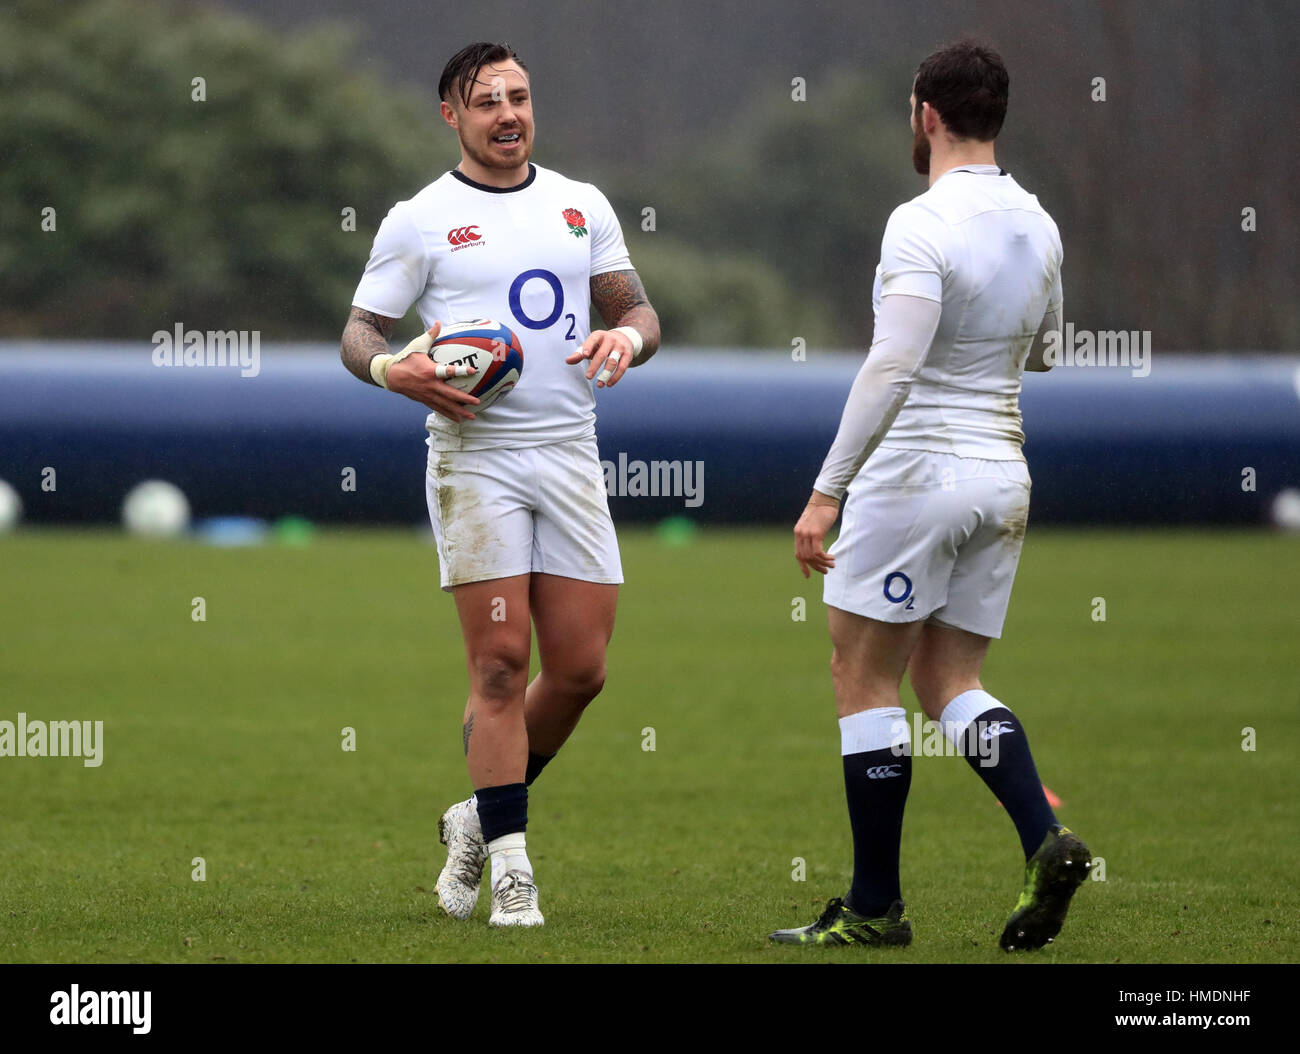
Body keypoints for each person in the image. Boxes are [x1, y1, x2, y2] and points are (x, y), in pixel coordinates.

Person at [772, 40, 1090, 950]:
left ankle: (874, 907)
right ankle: (1043, 837)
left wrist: (826, 492)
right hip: (1004, 473)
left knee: (863, 679)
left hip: (917, 473)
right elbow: (1052, 352)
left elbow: (893, 365)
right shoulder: (1039, 222)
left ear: (926, 116)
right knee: (951, 681)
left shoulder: (918, 222)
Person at [340, 42, 659, 927]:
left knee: (582, 672)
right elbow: (361, 331)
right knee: (498, 663)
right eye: (486, 102)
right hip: (475, 460)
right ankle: (514, 870)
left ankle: (476, 821)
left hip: (569, 455)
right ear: (452, 114)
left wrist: (623, 341)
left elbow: (636, 310)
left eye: (519, 97)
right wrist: (391, 372)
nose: (508, 114)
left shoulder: (578, 204)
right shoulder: (421, 219)